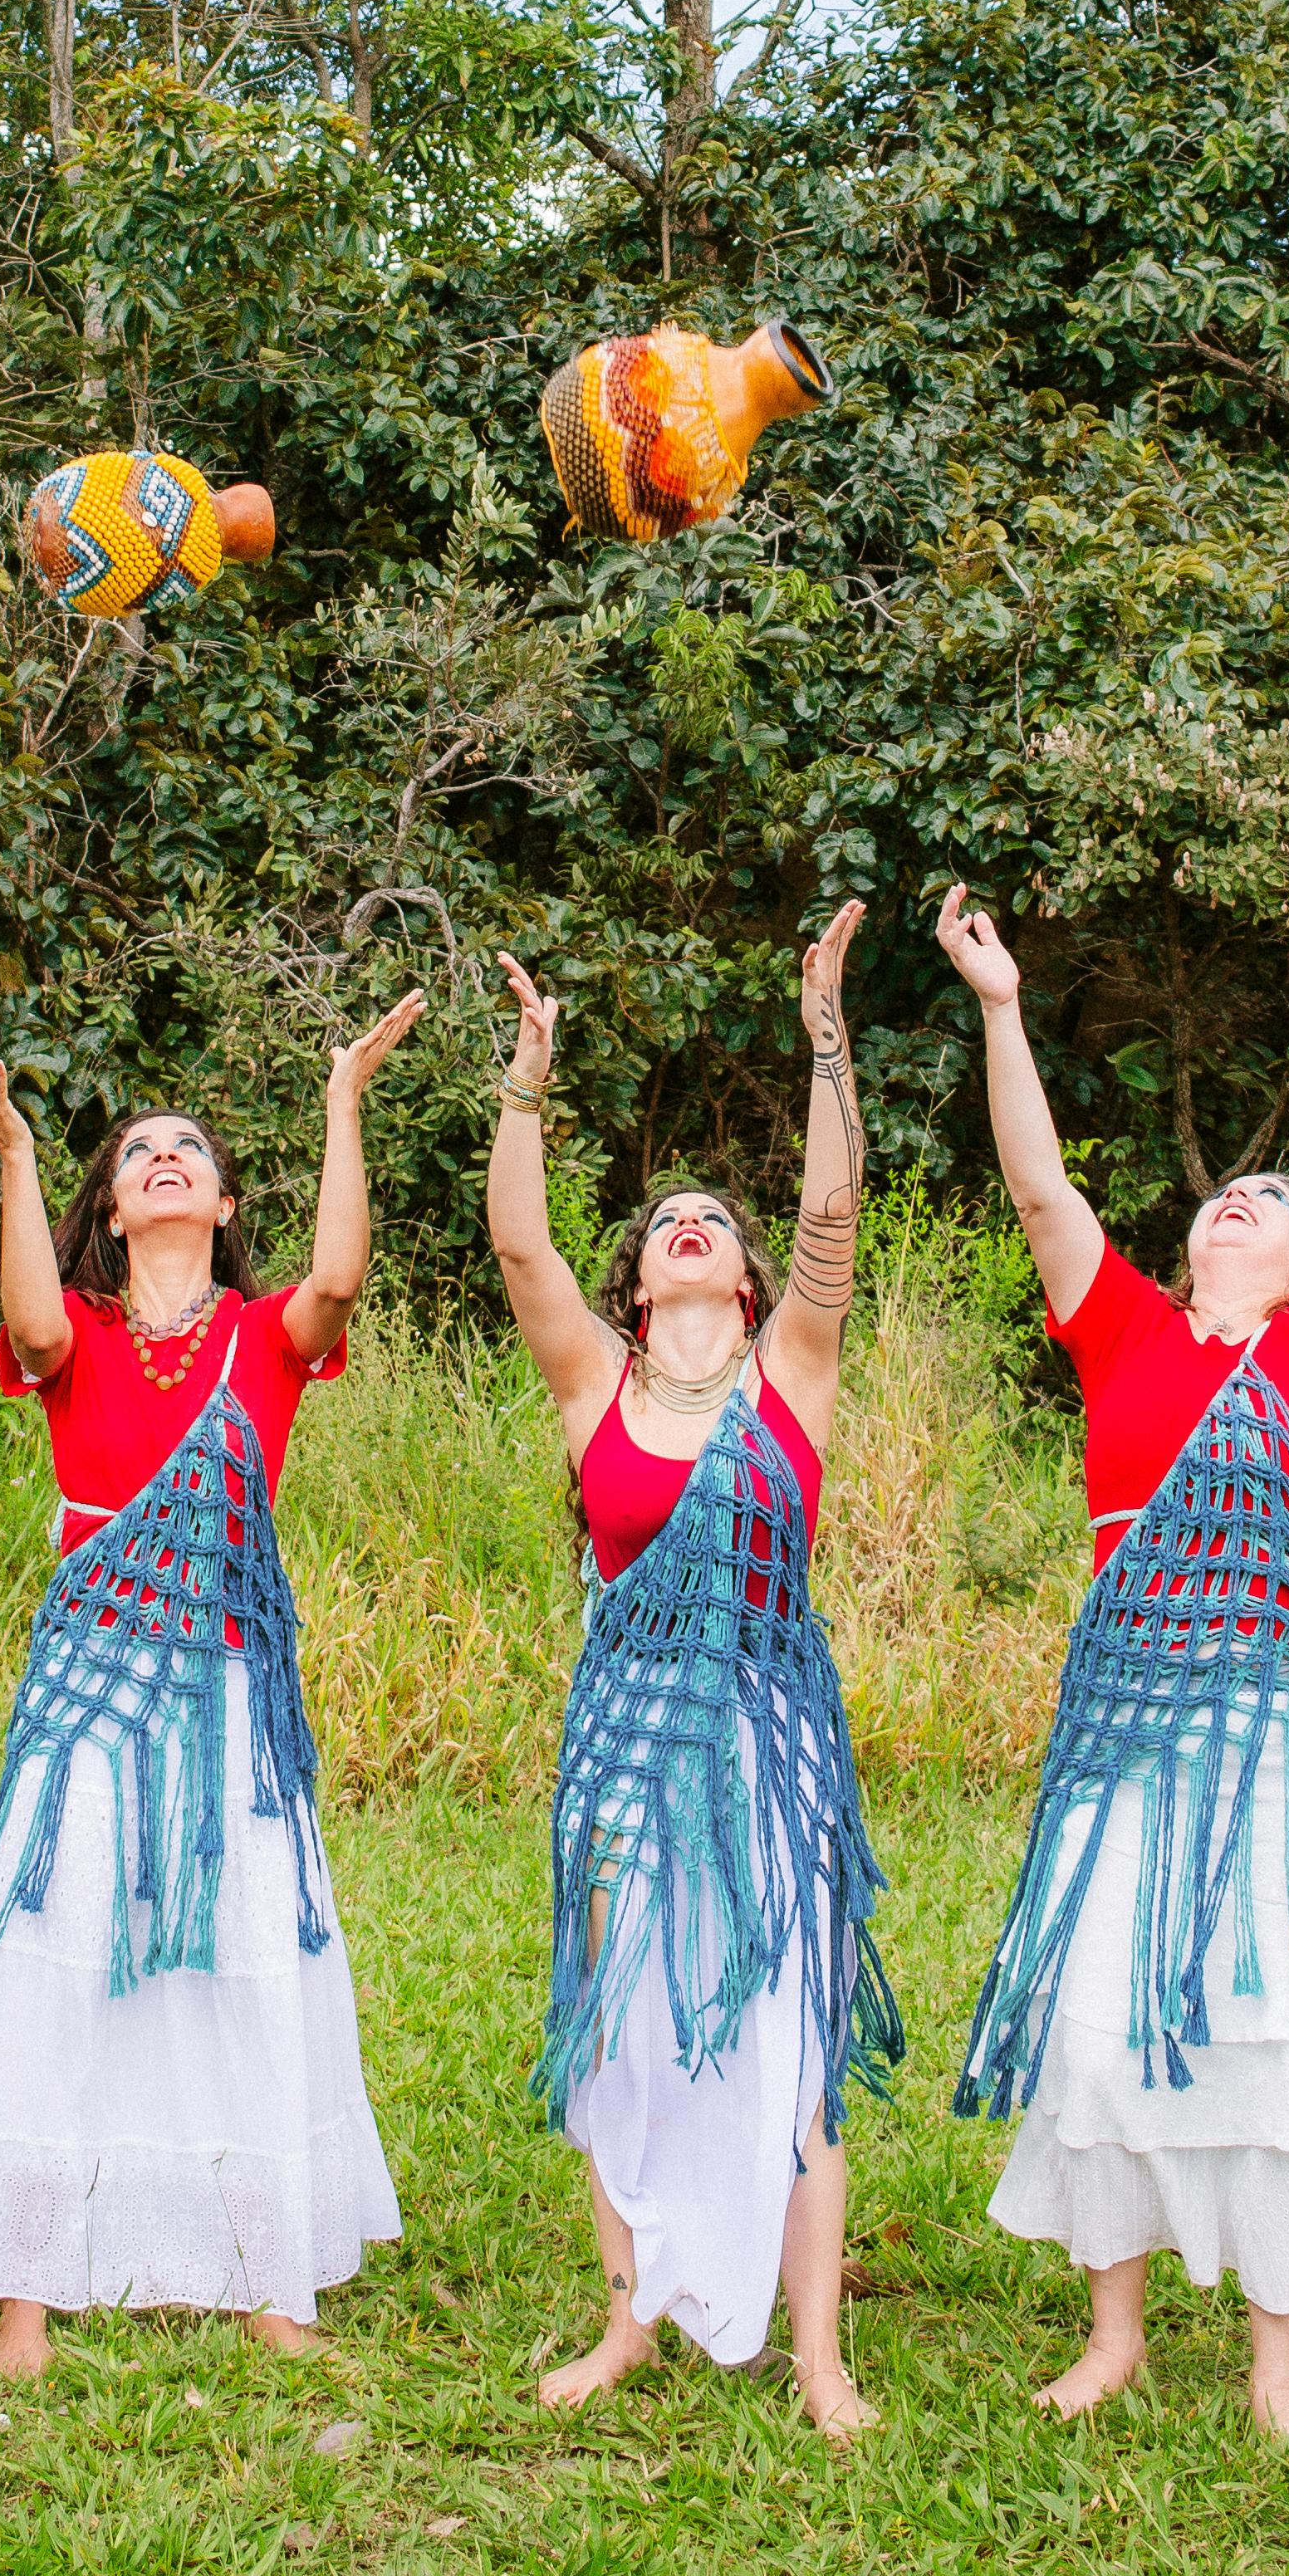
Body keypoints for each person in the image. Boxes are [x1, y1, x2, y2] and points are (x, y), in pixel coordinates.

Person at [934, 839, 1289, 2456]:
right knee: (1111, 2008)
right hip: (1132, 1718)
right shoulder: (1130, 1331)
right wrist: (1002, 1009)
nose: (1248, 1199)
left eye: (1271, 1203)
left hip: (1282, 1720)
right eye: (1231, 1188)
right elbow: (1035, 1188)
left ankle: (1278, 2369)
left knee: (1275, 2022)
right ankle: (1114, 2334)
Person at [0, 1002, 424, 2374]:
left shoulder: (271, 1335)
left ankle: (269, 2280)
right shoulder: (81, 1328)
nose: (162, 1157)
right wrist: (17, 1150)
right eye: (136, 1150)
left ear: (215, 1200)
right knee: (59, 1955)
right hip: (93, 1684)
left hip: (226, 1689)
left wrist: (342, 1101)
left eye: (187, 1148)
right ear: (112, 1203)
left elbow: (339, 1277)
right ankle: (28, 2295)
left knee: (249, 1961)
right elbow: (29, 1329)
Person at [487, 906, 904, 2443]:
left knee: (787, 2033)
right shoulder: (591, 1380)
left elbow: (833, 1225)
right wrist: (529, 1077)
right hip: (627, 1743)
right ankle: (629, 2324)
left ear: (738, 1284)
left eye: (712, 1222)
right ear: (644, 1276)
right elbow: (519, 1243)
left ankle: (817, 2359)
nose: (689, 1225)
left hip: (770, 1746)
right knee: (620, 2028)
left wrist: (824, 1041)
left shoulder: (793, 1374)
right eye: (666, 1216)